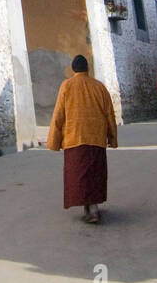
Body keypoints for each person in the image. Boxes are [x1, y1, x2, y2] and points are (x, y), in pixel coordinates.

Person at [46, 55, 118, 224]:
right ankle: (92, 208)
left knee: (79, 175)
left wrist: (54, 141)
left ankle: (90, 209)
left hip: (74, 138)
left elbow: (58, 115)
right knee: (94, 174)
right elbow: (110, 115)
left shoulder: (67, 86)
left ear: (73, 69)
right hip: (96, 138)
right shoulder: (99, 87)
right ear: (88, 69)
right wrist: (112, 138)